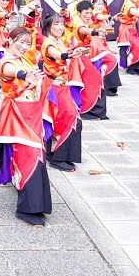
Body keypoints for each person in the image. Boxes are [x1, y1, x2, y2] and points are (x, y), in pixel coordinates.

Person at [0, 27, 52, 226]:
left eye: (28, 43)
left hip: (33, 114)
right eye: (20, 41)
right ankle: (26, 209)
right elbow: (9, 71)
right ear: (10, 40)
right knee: (29, 157)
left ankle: (37, 205)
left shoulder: (25, 60)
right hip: (19, 115)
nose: (24, 46)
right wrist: (23, 75)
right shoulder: (6, 62)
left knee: (38, 156)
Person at [39, 14, 86, 172]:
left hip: (61, 87)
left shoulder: (58, 41)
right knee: (71, 119)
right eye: (56, 25)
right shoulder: (48, 44)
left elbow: (63, 53)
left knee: (65, 120)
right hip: (54, 88)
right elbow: (57, 55)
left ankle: (56, 153)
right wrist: (70, 55)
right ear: (48, 27)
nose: (60, 27)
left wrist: (74, 51)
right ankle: (58, 158)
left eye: (61, 24)